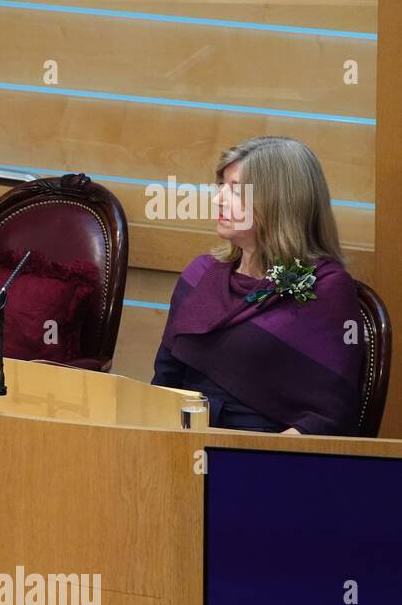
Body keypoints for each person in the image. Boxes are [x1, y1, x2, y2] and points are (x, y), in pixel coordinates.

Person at [152, 136, 363, 434]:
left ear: (280, 201)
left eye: (236, 190)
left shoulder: (326, 288)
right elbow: (164, 380)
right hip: (181, 440)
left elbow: (330, 416)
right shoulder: (199, 274)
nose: (219, 199)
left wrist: (261, 464)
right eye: (222, 186)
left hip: (265, 457)